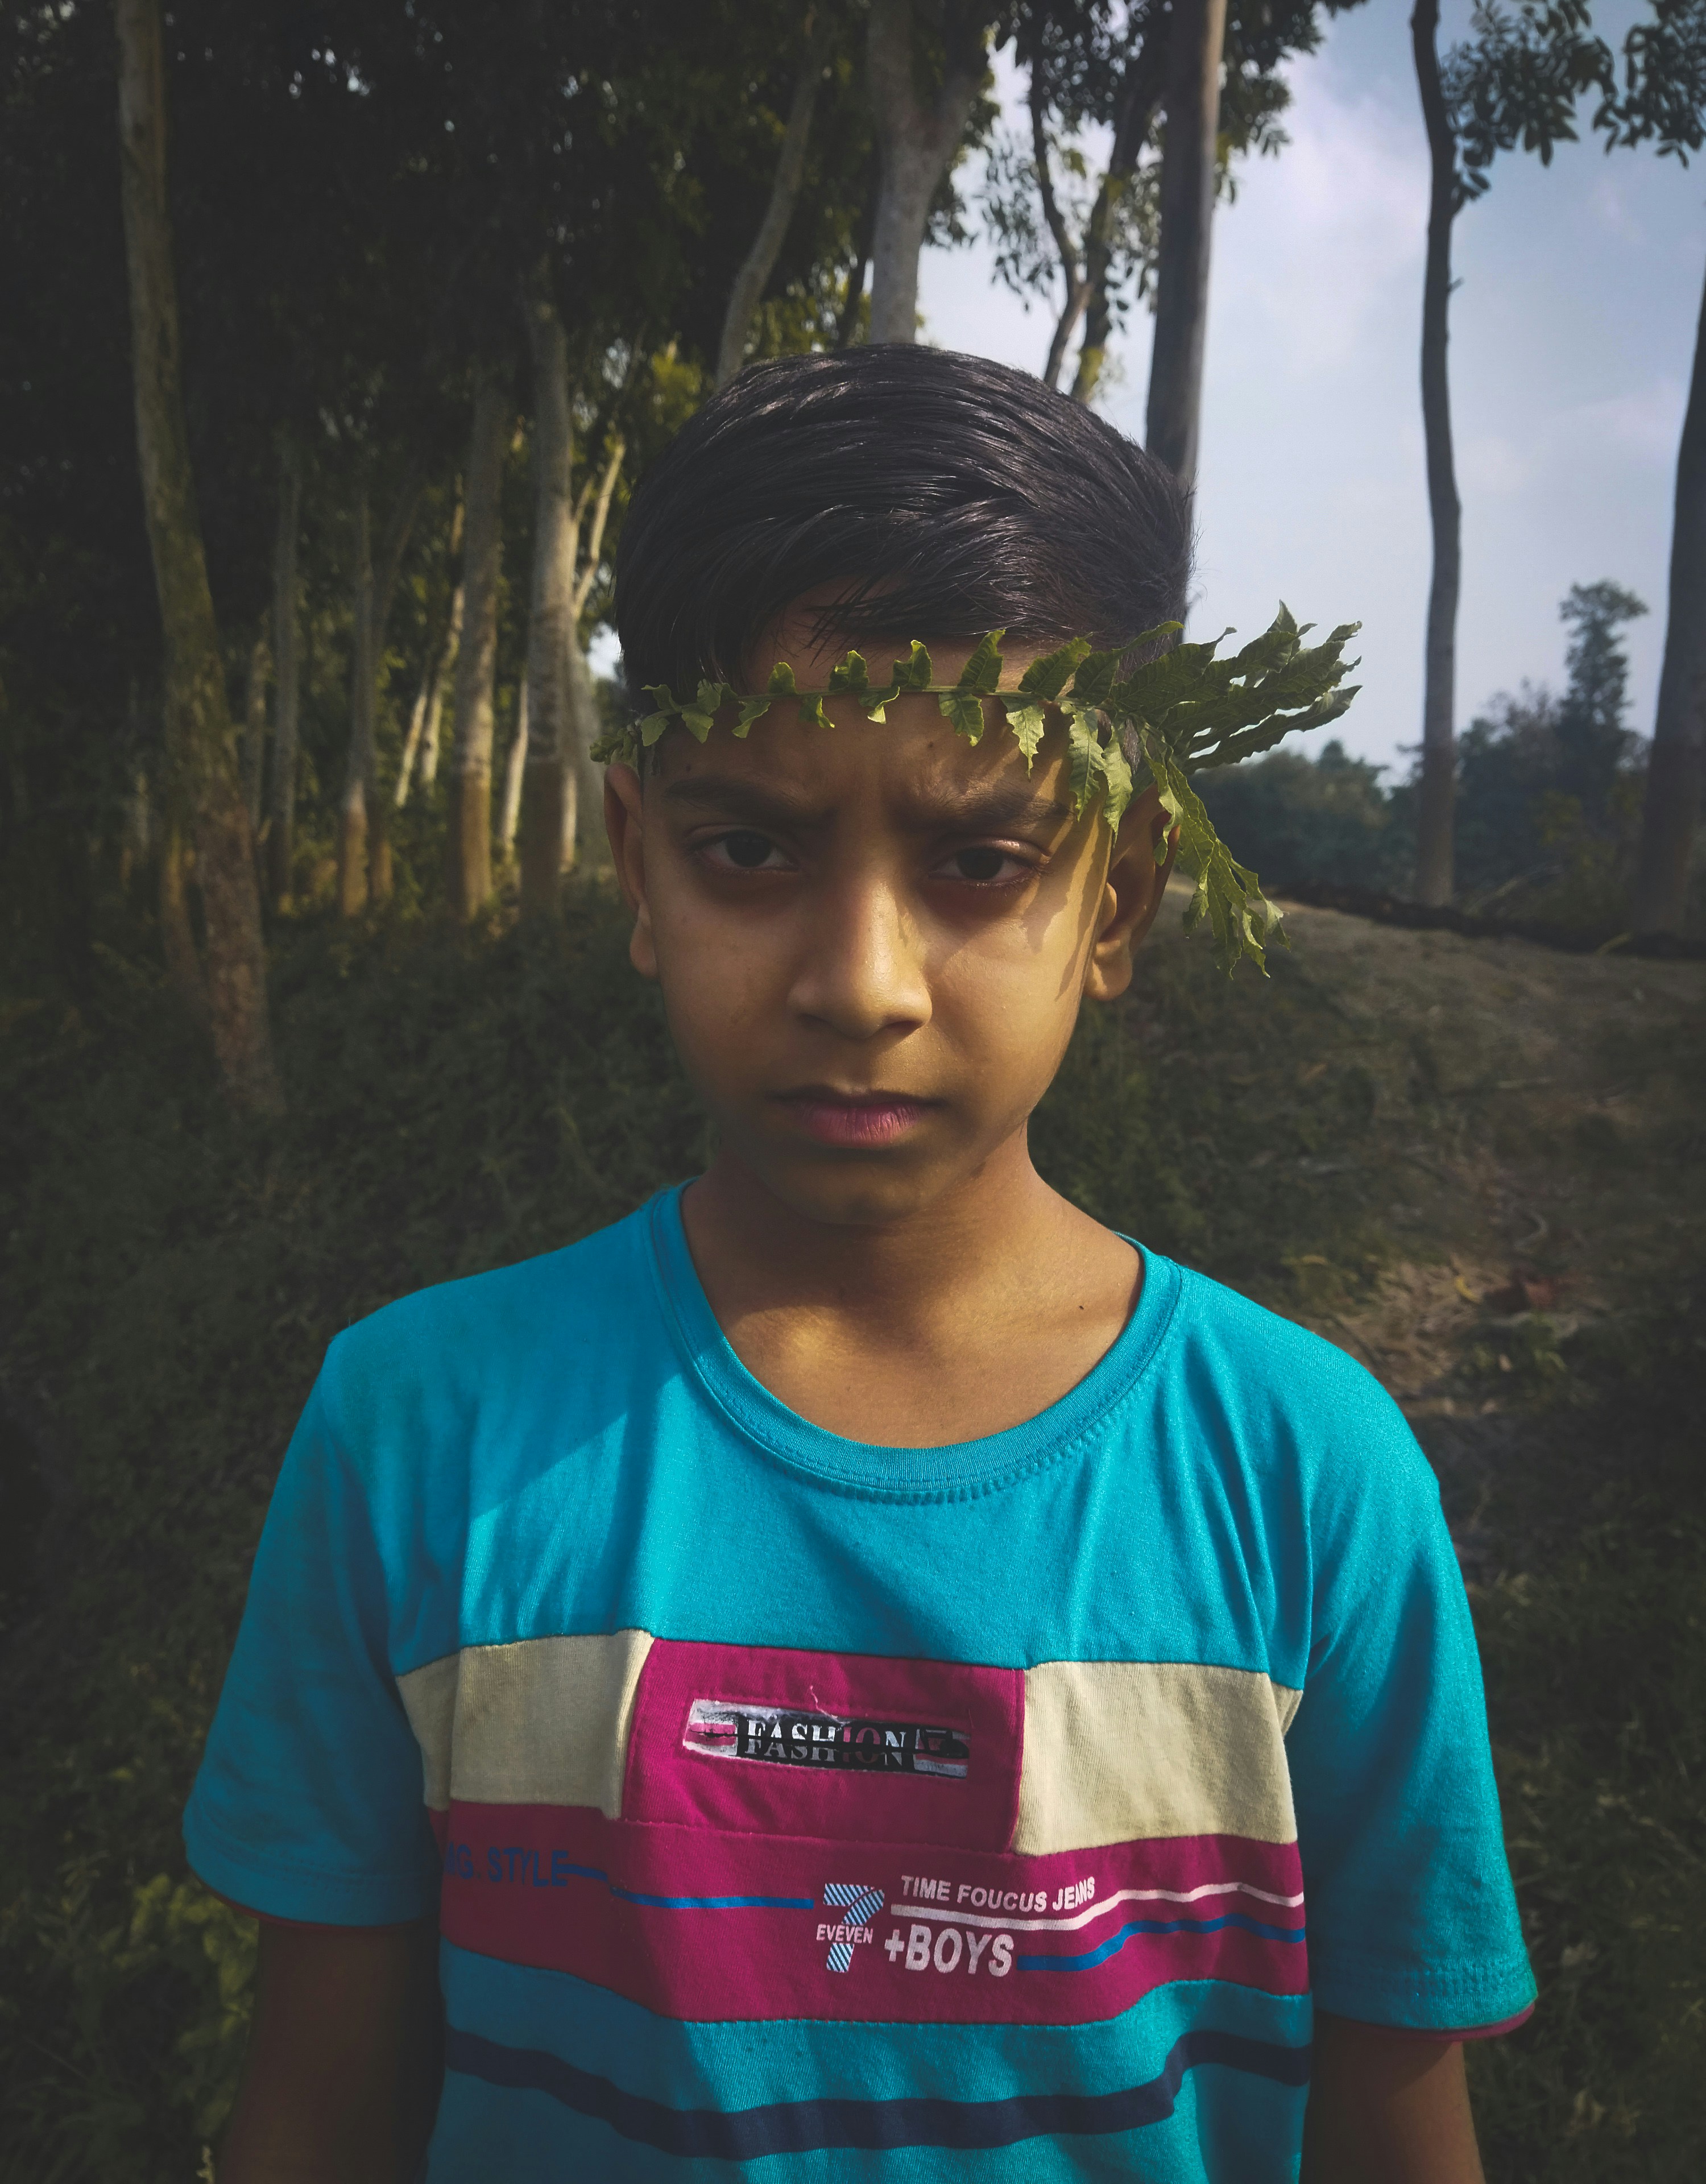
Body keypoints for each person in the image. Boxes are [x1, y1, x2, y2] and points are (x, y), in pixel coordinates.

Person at [190, 346, 1534, 2183]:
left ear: (1119, 901)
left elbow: (1396, 2127)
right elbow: (322, 2110)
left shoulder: (1308, 1478)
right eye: (751, 847)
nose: (863, 979)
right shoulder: (421, 1430)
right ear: (640, 870)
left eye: (984, 859)